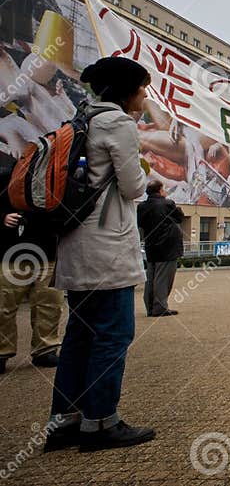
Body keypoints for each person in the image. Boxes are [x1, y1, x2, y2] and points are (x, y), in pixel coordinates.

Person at [45, 56, 156, 452]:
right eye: (142, 88)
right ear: (126, 91)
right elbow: (132, 187)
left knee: (79, 334)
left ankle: (64, 421)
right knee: (113, 333)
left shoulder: (82, 117)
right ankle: (101, 422)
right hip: (107, 243)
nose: (145, 95)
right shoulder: (118, 124)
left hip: (76, 242)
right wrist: (141, 169)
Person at [0, 160, 62, 373]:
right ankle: (1, 352)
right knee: (4, 304)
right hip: (11, 251)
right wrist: (2, 217)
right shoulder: (6, 176)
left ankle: (45, 349)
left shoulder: (55, 179)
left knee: (48, 302)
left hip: (46, 249)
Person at [136, 180, 184, 317]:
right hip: (167, 247)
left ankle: (150, 306)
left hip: (151, 245)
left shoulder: (142, 207)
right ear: (160, 190)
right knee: (163, 278)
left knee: (151, 277)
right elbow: (179, 217)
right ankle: (160, 307)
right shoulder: (167, 204)